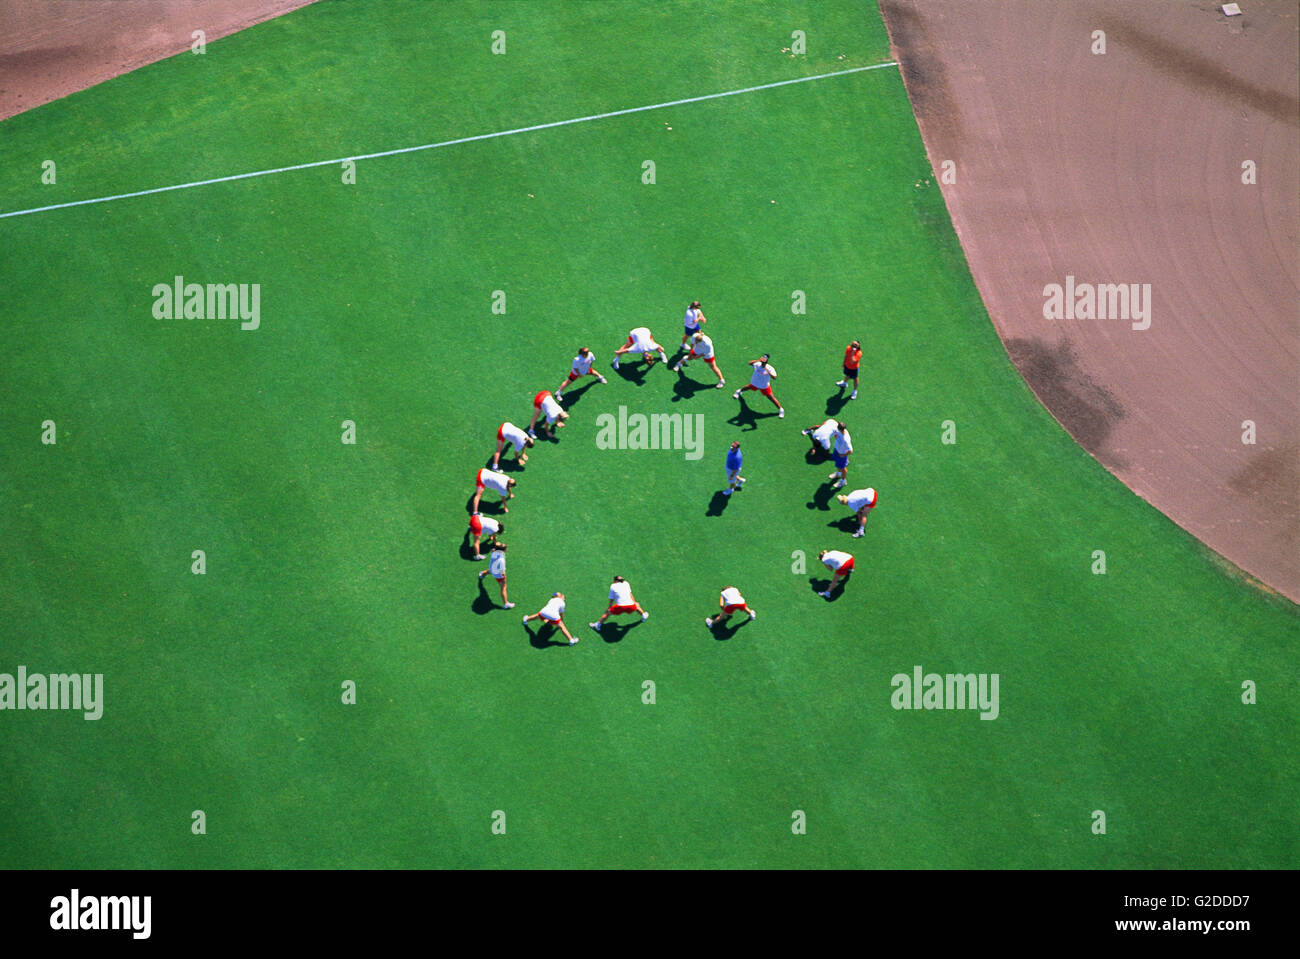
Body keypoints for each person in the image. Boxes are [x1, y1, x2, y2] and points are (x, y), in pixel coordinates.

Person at [733, 353, 784, 418]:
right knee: (748, 387)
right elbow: (750, 363)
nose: (762, 364)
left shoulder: (770, 368)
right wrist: (758, 360)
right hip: (755, 383)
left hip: (764, 386)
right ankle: (738, 391)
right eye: (762, 362)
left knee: (771, 397)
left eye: (764, 362)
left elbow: (774, 377)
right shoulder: (757, 364)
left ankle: (781, 410)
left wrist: (767, 371)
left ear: (766, 363)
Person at [477, 543, 513, 608]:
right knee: (503, 588)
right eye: (505, 548)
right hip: (498, 574)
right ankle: (506, 603)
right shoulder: (501, 560)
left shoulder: (494, 551)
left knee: (489, 571)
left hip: (492, 568)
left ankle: (482, 574)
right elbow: (502, 571)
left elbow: (494, 548)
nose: (506, 549)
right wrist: (504, 577)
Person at [829, 423, 853, 489]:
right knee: (838, 465)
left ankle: (843, 481)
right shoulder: (839, 432)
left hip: (841, 454)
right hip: (837, 450)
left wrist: (843, 455)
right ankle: (838, 474)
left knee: (843, 468)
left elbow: (851, 450)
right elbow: (837, 435)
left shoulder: (846, 439)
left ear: (839, 428)